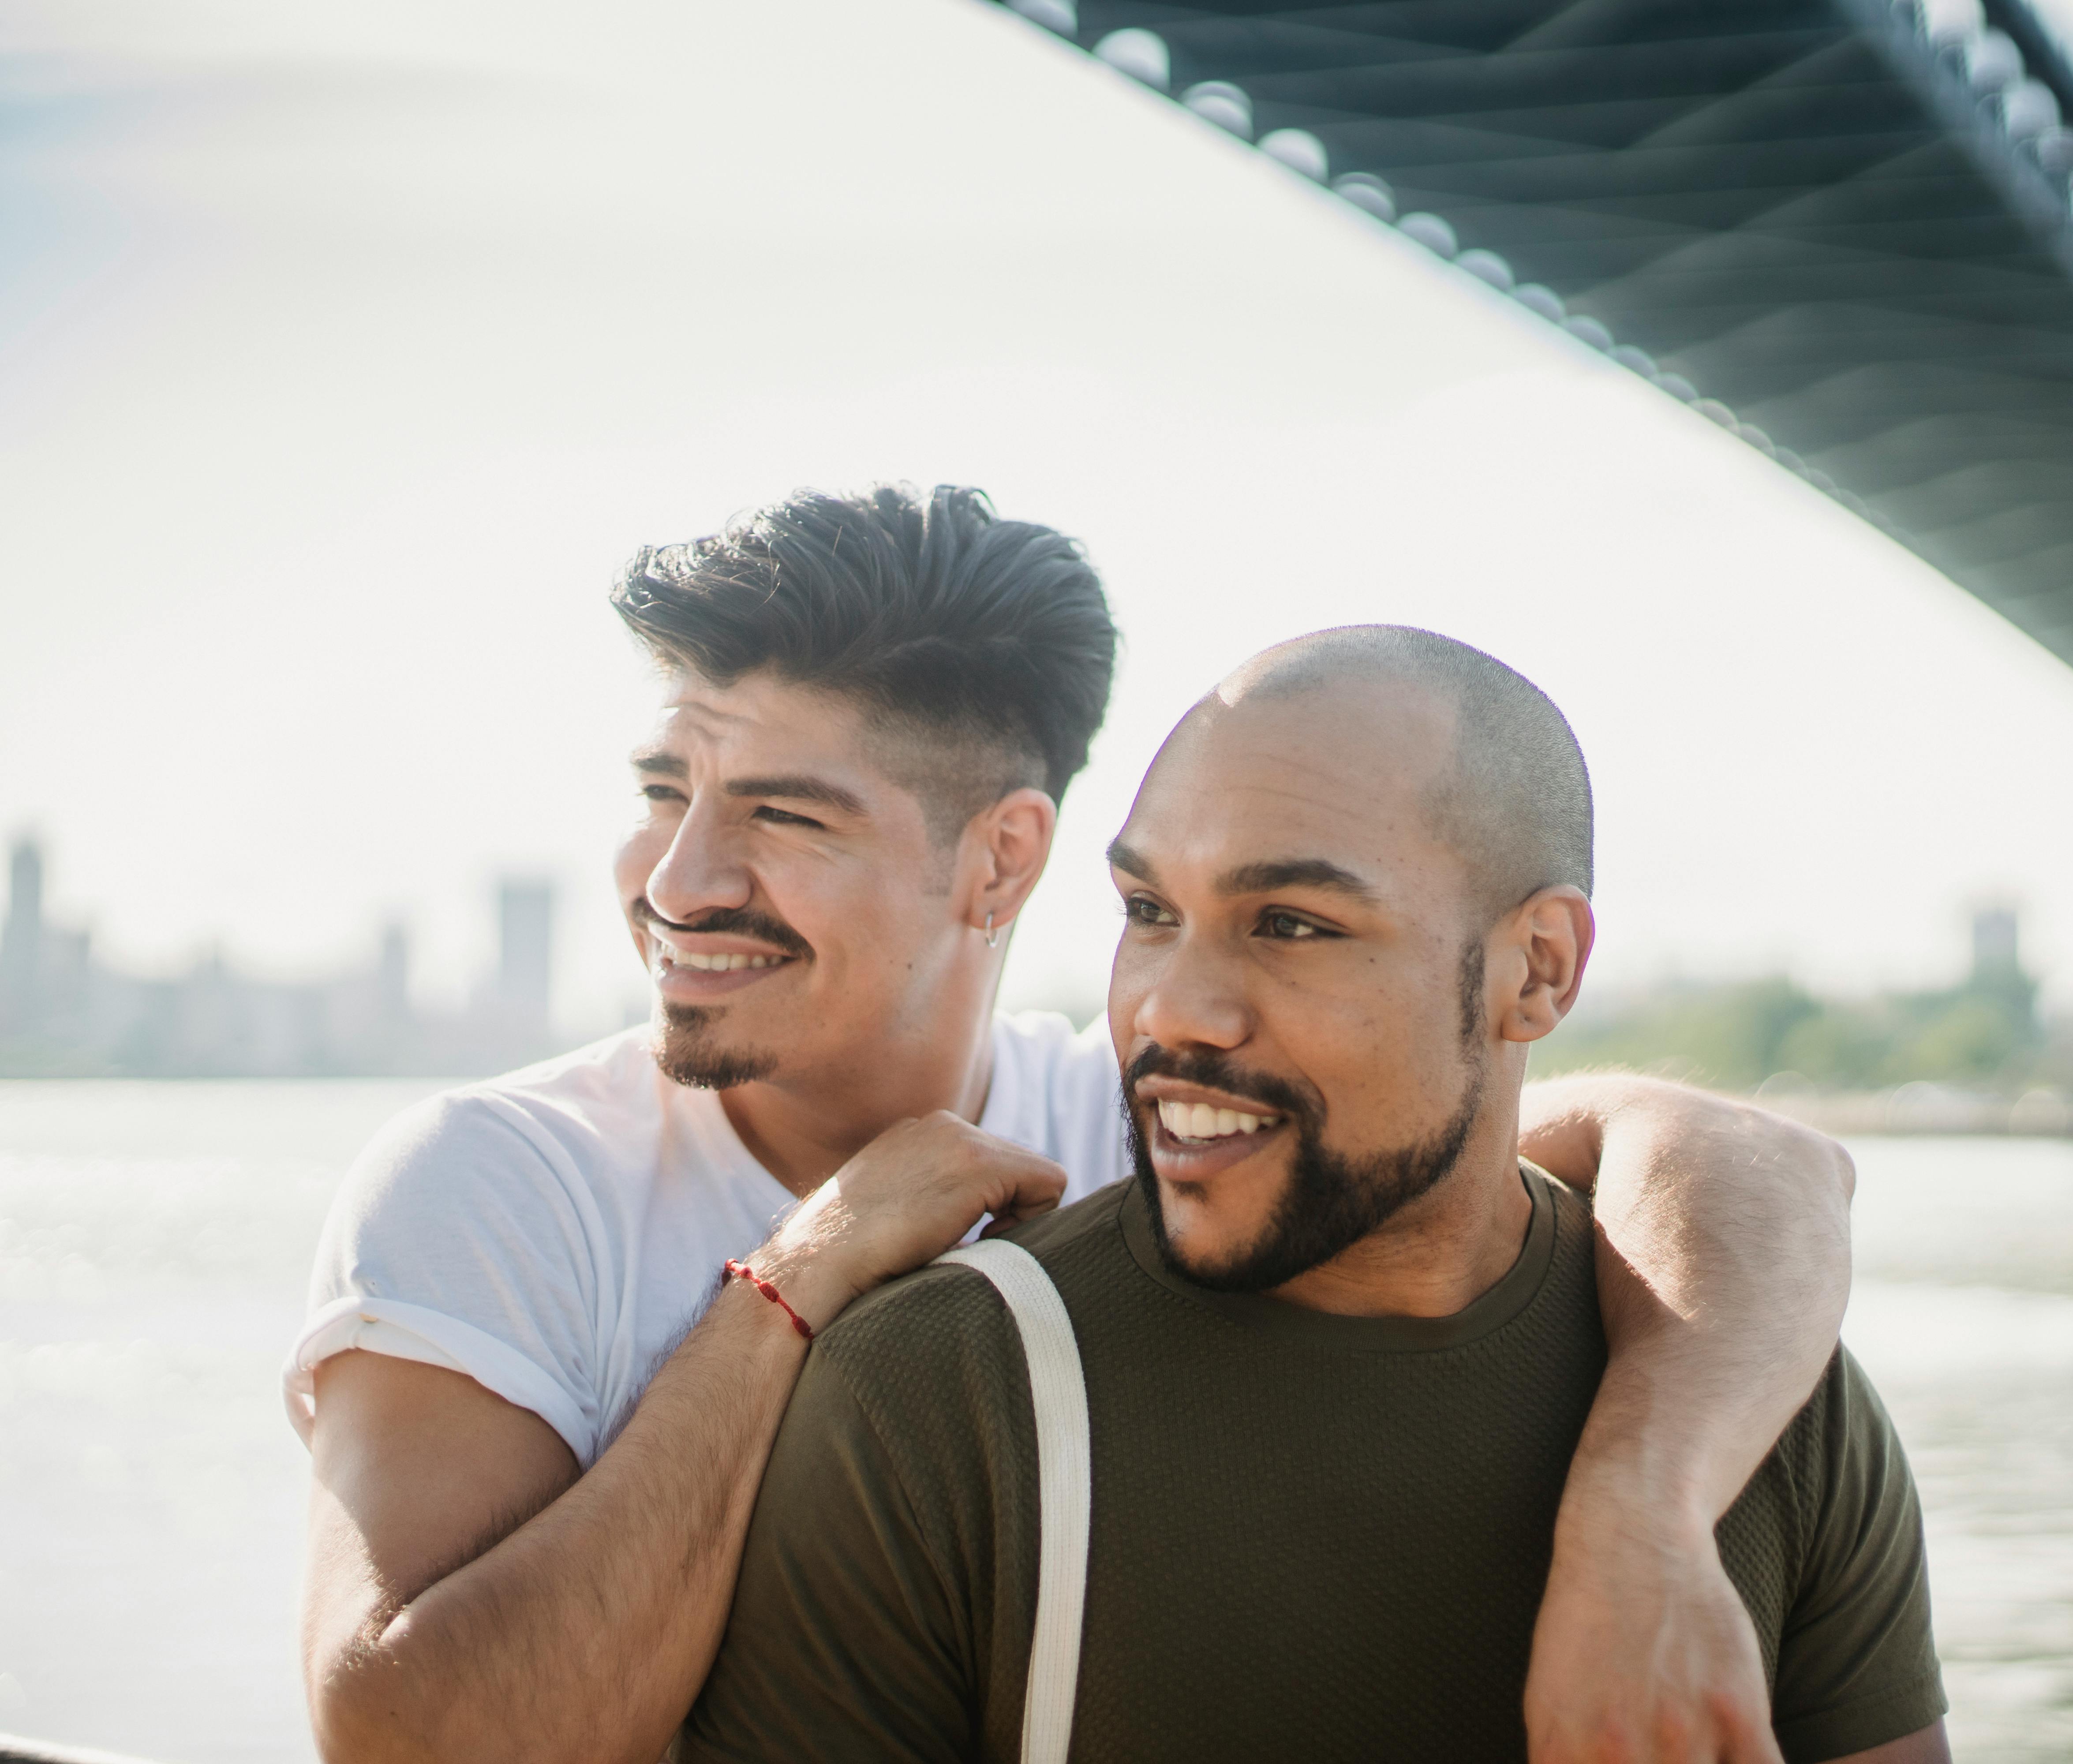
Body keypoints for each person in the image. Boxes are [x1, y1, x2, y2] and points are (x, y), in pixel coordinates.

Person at [289, 488, 1860, 1764]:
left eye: (782, 814)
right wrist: (793, 1286)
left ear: (999, 861)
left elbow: (1752, 1163)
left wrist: (1644, 1518)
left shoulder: (1172, 1131)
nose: (679, 880)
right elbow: (415, 1748)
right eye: (664, 792)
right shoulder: (494, 1182)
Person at [681, 627, 1948, 1764]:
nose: (1173, 1009)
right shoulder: (940, 1398)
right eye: (1148, 912)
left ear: (1538, 971)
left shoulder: (1758, 1400)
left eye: (1290, 924)